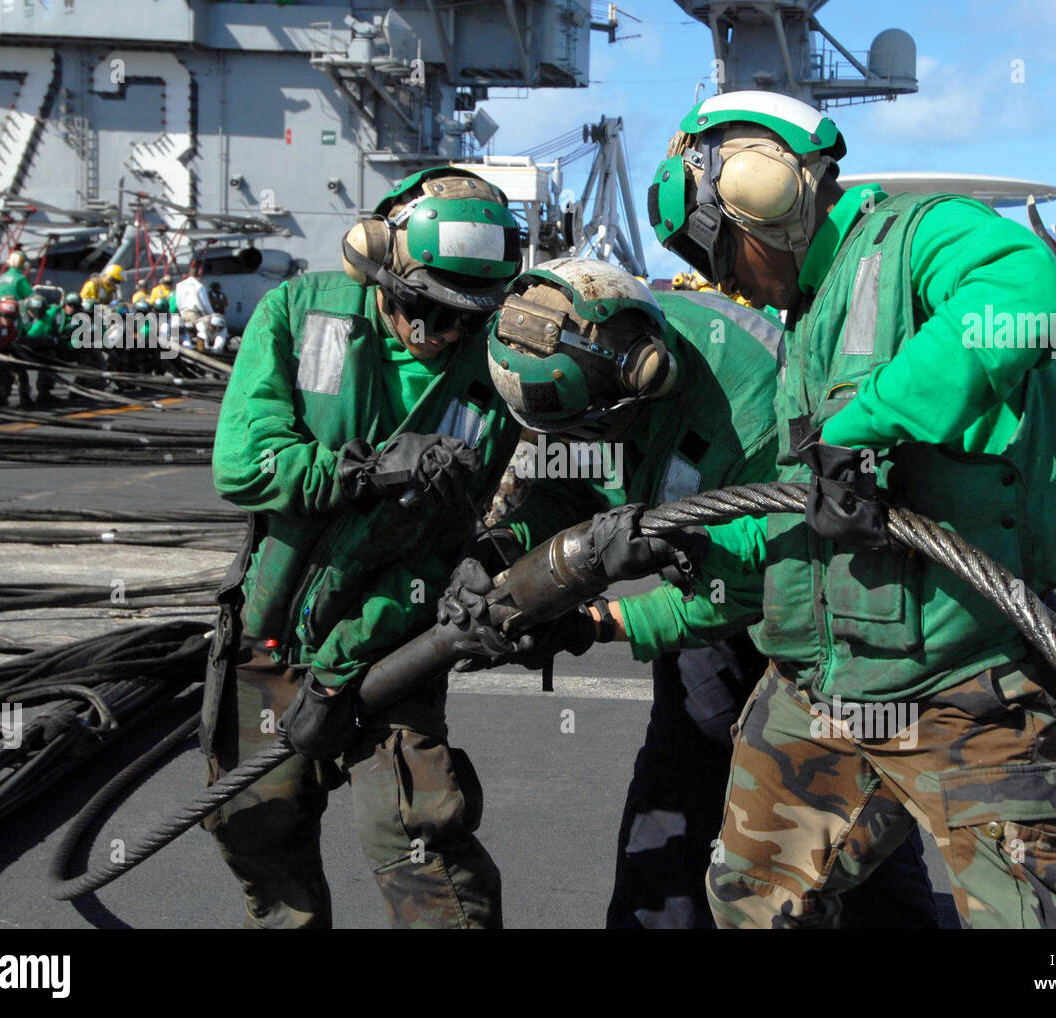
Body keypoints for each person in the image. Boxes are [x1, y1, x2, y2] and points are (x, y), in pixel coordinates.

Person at [647, 90, 1056, 929]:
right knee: (751, 900)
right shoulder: (808, 317)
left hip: (958, 688)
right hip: (820, 688)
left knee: (1055, 931)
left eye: (714, 249)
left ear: (758, 192)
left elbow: (1029, 290)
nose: (723, 280)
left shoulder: (918, 236)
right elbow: (795, 511)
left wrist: (860, 428)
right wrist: (659, 569)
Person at [440, 257, 940, 929]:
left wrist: (602, 623)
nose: (598, 444)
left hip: (814, 602)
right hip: (715, 586)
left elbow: (762, 575)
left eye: (604, 428)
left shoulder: (755, 398)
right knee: (682, 774)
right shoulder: (602, 380)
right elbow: (567, 486)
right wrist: (501, 548)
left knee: (837, 804)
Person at [203, 165, 525, 929]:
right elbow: (243, 466)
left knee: (423, 841)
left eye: (465, 320)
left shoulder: (488, 376)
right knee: (260, 835)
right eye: (428, 311)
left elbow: (435, 551)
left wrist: (341, 671)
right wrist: (366, 472)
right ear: (380, 260)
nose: (444, 336)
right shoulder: (299, 312)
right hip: (270, 628)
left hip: (392, 644)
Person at [18, 294, 64, 402]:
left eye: (39, 312)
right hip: (19, 347)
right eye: (33, 312)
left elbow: (53, 334)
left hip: (39, 345)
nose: (36, 315)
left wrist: (54, 339)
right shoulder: (18, 314)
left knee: (50, 355)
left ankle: (44, 391)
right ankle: (23, 395)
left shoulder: (50, 315)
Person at [175, 266, 212, 331]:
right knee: (201, 335)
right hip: (196, 314)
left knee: (188, 335)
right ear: (198, 274)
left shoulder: (179, 285)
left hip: (183, 314)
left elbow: (178, 301)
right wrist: (212, 314)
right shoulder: (199, 285)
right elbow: (205, 303)